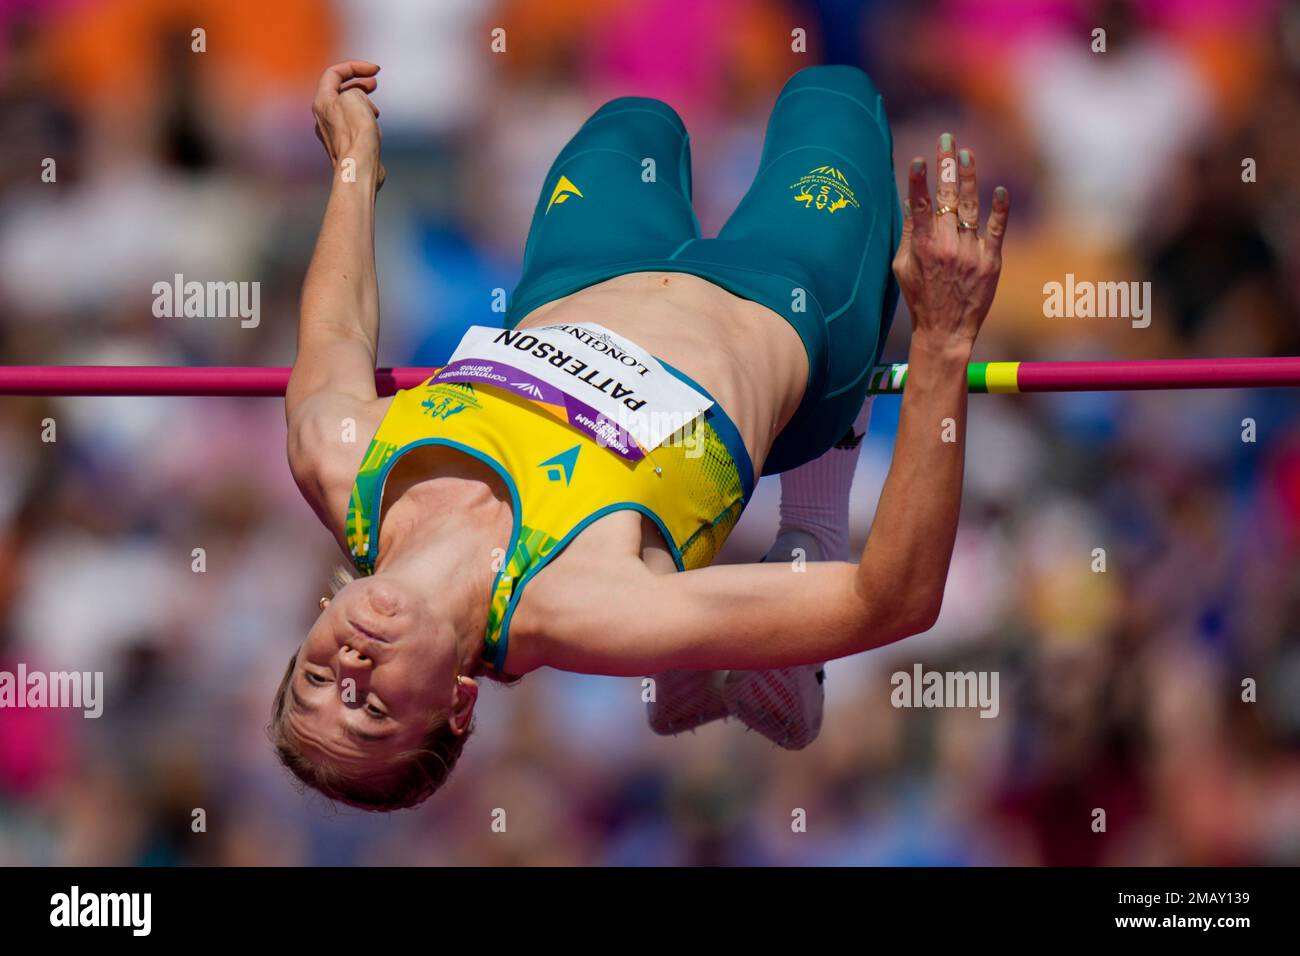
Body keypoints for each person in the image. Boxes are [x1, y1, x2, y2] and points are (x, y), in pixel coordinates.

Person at [271, 60, 1009, 810]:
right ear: (459, 706)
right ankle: (807, 539)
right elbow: (894, 602)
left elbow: (336, 327)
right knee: (832, 94)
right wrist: (944, 344)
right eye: (372, 710)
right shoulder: (578, 605)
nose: (353, 666)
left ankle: (728, 648)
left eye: (318, 679)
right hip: (789, 302)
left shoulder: (338, 461)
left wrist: (355, 160)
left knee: (635, 114)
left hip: (580, 272)